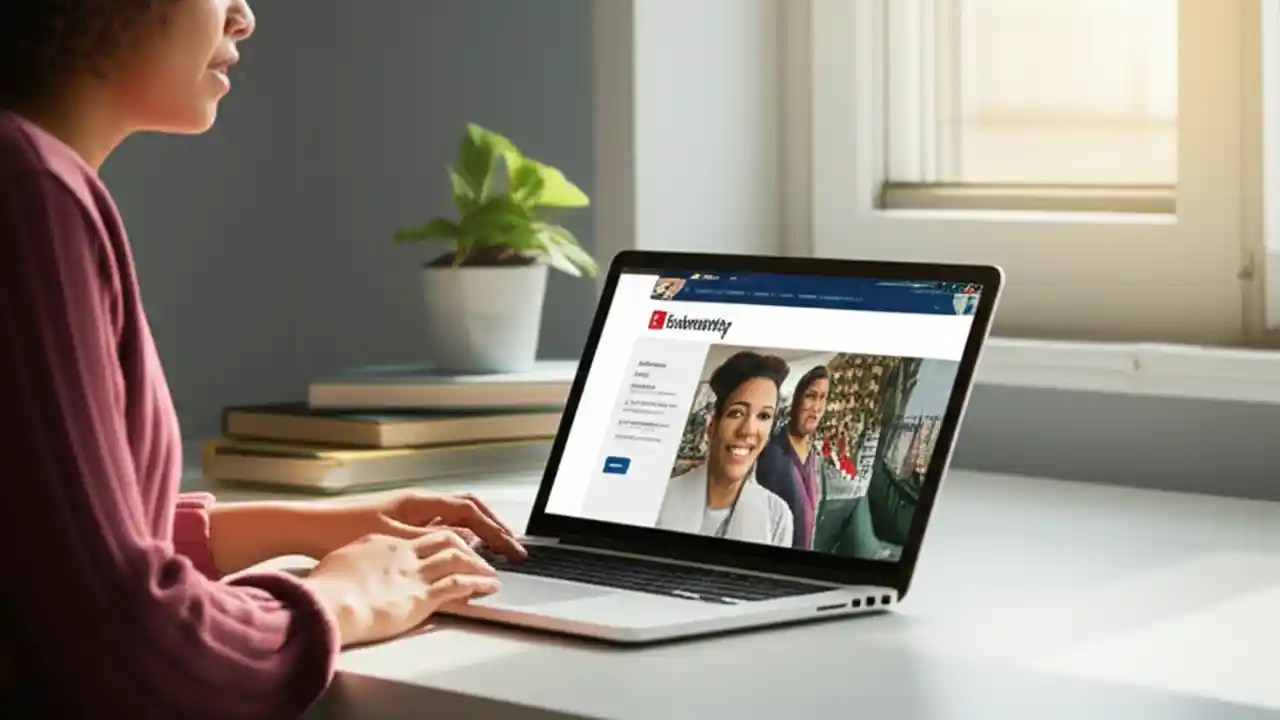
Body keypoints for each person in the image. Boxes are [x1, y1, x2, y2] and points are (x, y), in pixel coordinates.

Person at [0, 2, 526, 717]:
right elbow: (126, 646)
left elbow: (38, 541)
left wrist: (302, 524)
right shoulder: (30, 194)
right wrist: (343, 598)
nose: (243, 17)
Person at [656, 351, 793, 547]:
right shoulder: (662, 498)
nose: (748, 431)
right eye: (736, 413)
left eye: (763, 416)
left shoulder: (777, 515)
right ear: (712, 425)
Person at [757, 364, 894, 559]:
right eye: (811, 396)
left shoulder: (811, 454)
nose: (817, 407)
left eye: (823, 398)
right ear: (796, 398)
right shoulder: (774, 457)